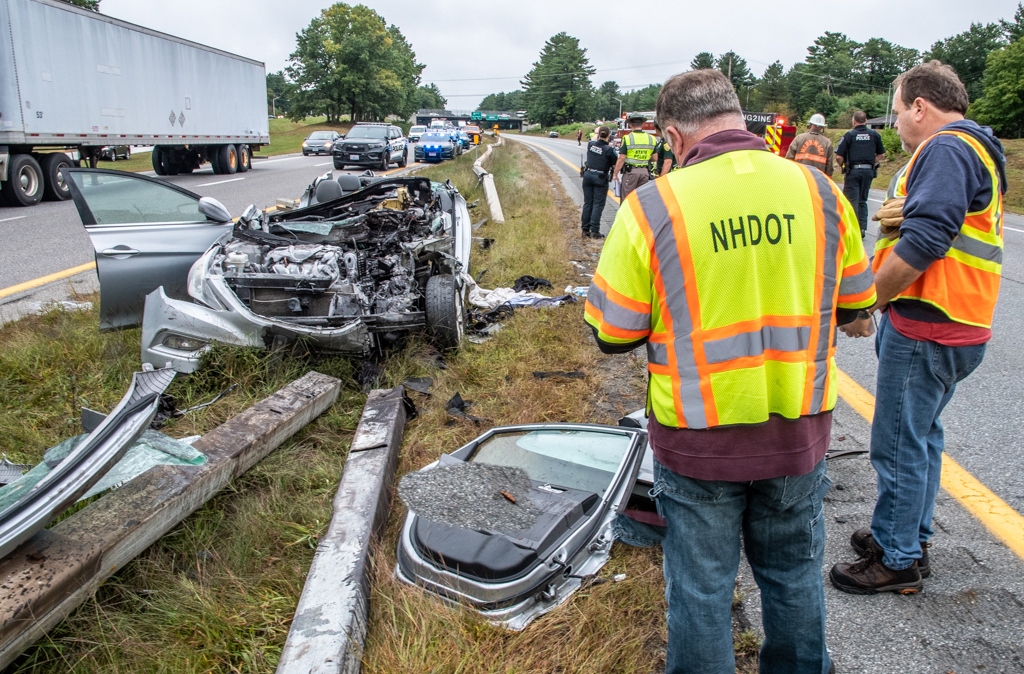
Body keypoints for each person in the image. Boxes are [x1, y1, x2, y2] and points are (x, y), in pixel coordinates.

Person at [585, 68, 874, 674]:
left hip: (698, 441)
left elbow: (612, 334)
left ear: (673, 135)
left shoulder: (652, 206)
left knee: (700, 589)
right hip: (798, 431)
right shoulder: (821, 192)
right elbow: (855, 304)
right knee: (794, 577)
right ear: (740, 118)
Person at [830, 61, 1006, 595]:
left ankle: (898, 557)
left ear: (920, 106)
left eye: (899, 110)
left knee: (898, 443)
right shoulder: (973, 148)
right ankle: (908, 532)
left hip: (930, 321)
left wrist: (865, 304)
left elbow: (927, 239)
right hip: (958, 320)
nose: (897, 123)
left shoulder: (947, 149)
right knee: (921, 437)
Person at [836, 111, 886, 236]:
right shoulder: (874, 135)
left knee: (851, 200)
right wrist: (871, 162)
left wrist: (844, 166)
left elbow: (839, 156)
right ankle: (862, 228)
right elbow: (881, 154)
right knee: (862, 200)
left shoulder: (849, 135)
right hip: (868, 171)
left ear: (854, 121)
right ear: (866, 121)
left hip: (853, 171)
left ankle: (852, 228)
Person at [580, 125, 616, 239]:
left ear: (599, 134)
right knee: (598, 204)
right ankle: (594, 231)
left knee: (588, 203)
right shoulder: (609, 150)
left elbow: (593, 139)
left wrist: (597, 132)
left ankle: (585, 229)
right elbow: (615, 164)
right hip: (600, 177)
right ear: (609, 135)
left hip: (588, 175)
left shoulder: (591, 145)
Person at [612, 114, 657, 199]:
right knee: (641, 199)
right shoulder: (651, 138)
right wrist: (644, 157)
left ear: (630, 125)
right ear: (642, 124)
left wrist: (615, 174)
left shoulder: (627, 138)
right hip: (645, 173)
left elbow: (622, 158)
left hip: (631, 173)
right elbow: (655, 158)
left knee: (627, 199)